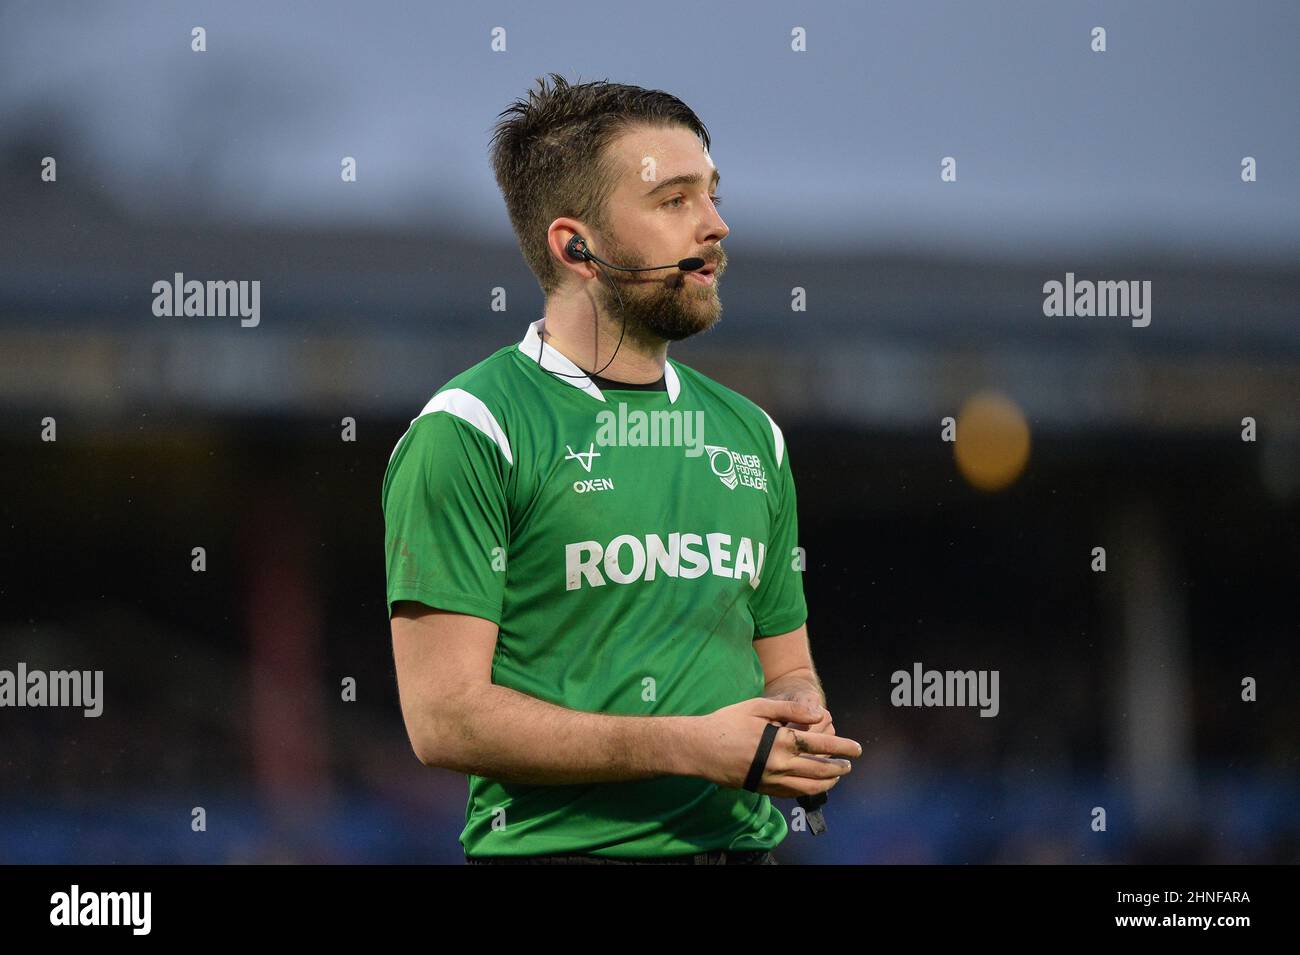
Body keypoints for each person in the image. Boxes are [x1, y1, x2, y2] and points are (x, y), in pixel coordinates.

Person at [383, 74, 861, 865]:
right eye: (674, 201)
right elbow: (445, 722)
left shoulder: (753, 436)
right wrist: (689, 745)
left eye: (711, 194)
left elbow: (788, 664)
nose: (716, 225)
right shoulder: (472, 429)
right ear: (576, 246)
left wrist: (797, 720)